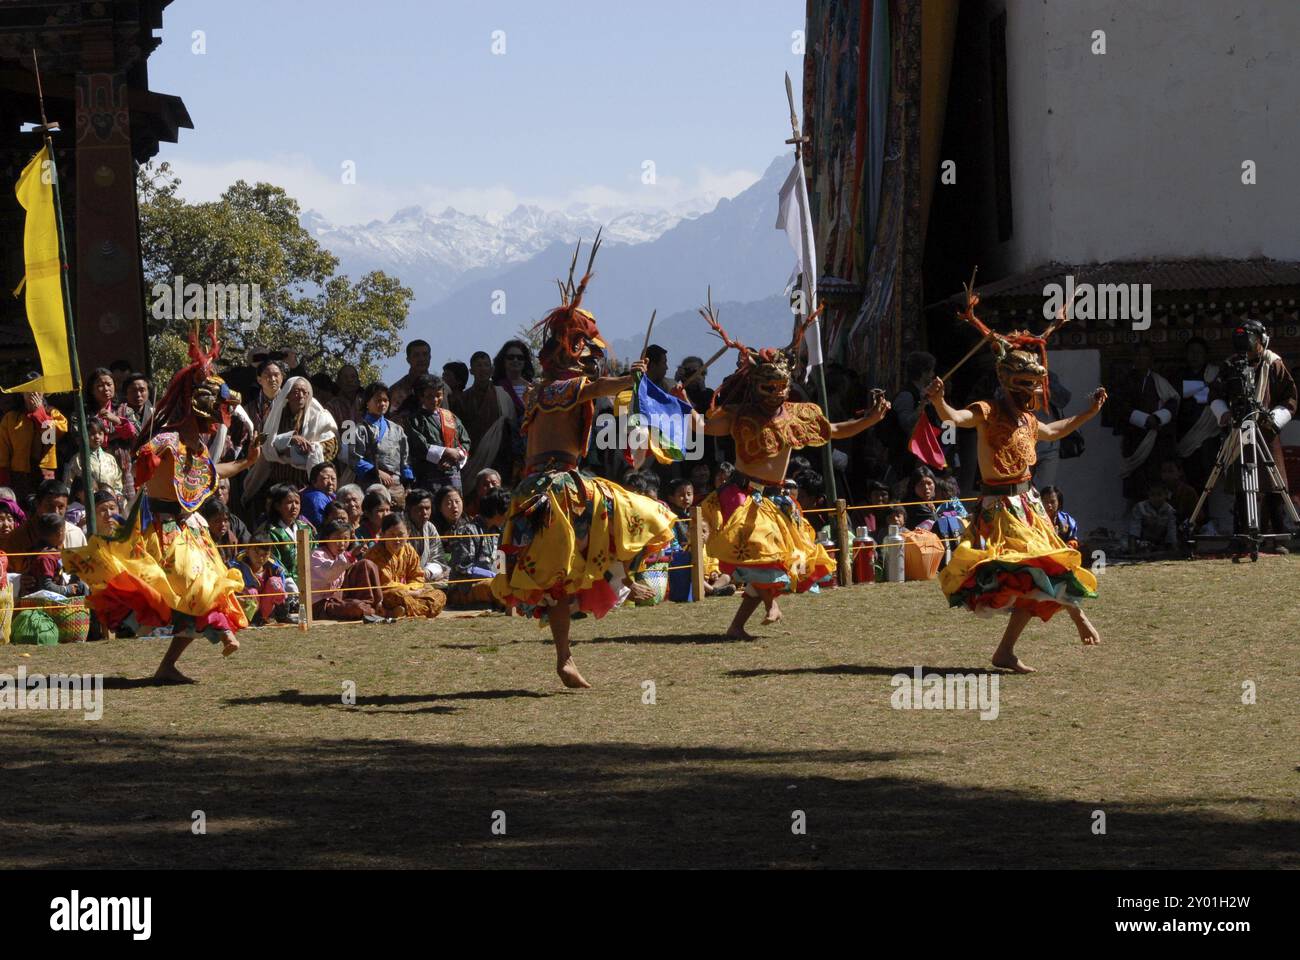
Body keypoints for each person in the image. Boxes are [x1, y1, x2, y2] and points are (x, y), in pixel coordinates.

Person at [490, 239, 676, 687]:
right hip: (551, 489)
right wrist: (628, 377)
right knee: (569, 566)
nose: (593, 355)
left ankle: (616, 582)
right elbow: (596, 390)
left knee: (586, 556)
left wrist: (626, 381)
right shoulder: (553, 389)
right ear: (568, 352)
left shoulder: (547, 389)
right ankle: (584, 630)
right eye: (586, 348)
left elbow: (598, 389)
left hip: (560, 485)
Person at [63, 323, 260, 682]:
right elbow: (153, 464)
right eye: (215, 417)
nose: (216, 426)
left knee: (211, 586)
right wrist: (152, 454)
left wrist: (247, 462)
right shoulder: (165, 442)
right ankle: (221, 635)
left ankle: (168, 666)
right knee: (198, 586)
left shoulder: (195, 448)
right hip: (162, 531)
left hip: (188, 531)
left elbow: (210, 473)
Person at [928, 296, 1105, 673]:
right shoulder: (987, 411)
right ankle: (1075, 619)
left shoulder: (1028, 420)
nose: (1029, 390)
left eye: (1033, 383)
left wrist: (1088, 413)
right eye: (1022, 383)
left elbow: (1054, 430)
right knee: (1031, 570)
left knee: (1044, 568)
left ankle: (1007, 650)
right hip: (998, 509)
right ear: (1005, 380)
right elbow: (956, 417)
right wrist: (940, 403)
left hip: (1029, 505)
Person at [698, 304, 889, 638]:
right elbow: (701, 425)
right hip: (741, 495)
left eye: (781, 387)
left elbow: (835, 430)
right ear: (754, 385)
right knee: (766, 550)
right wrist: (666, 408)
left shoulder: (800, 415)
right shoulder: (738, 415)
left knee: (788, 559)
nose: (775, 394)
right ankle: (773, 606)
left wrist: (870, 420)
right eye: (767, 388)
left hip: (776, 499)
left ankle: (736, 627)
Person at [1209, 319, 1297, 553]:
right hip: (1239, 432)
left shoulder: (1273, 364)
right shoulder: (1230, 365)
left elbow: (1290, 398)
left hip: (1266, 433)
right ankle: (1242, 536)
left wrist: (1273, 419)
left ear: (1261, 341)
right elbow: (1215, 395)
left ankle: (1277, 537)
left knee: (1272, 486)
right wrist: (1224, 413)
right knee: (1241, 487)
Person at [243, 376, 338, 509]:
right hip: (276, 484)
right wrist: (289, 439)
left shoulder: (319, 416)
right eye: (296, 391)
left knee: (303, 526)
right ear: (287, 393)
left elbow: (331, 446)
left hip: (304, 486)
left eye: (305, 392)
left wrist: (297, 451)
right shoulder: (276, 415)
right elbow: (265, 442)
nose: (301, 396)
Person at [1116, 343, 1179, 503]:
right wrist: (1144, 419)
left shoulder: (1159, 381)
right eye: (1138, 355)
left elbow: (1173, 402)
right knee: (1136, 482)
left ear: (1151, 359)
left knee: (1155, 480)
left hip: (1155, 439)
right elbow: (1119, 406)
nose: (1141, 359)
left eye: (1145, 355)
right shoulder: (1124, 381)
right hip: (1134, 439)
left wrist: (1157, 418)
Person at [367, 513, 447, 619]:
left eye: (400, 534)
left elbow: (417, 577)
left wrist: (413, 591)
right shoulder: (376, 553)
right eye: (391, 534)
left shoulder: (409, 550)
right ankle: (411, 611)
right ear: (383, 534)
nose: (397, 539)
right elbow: (385, 584)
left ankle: (403, 611)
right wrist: (411, 593)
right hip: (385, 594)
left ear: (408, 534)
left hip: (410, 591)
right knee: (398, 596)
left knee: (439, 595)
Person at [454, 351, 518, 483]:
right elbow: (457, 433)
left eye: (486, 365)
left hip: (500, 456)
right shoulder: (461, 399)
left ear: (492, 369)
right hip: (473, 458)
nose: (482, 369)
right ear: (471, 370)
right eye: (478, 365)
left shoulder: (503, 396)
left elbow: (513, 426)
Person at [344, 382, 413, 503]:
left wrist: (407, 484)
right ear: (367, 402)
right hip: (371, 483)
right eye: (378, 400)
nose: (382, 404)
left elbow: (405, 459)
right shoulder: (360, 429)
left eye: (385, 400)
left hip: (396, 485)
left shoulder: (397, 429)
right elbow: (354, 459)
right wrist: (377, 472)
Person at [0, 382, 69, 502]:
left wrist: (39, 413)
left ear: (43, 393)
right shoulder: (11, 418)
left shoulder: (53, 414)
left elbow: (50, 438)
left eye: (37, 390)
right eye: (29, 390)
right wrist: (4, 478)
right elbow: (3, 450)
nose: (33, 393)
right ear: (22, 393)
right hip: (19, 474)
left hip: (45, 471)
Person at [309, 519, 385, 621]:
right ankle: (375, 611)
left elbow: (351, 570)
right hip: (321, 604)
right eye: (337, 539)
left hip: (338, 597)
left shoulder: (340, 555)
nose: (342, 543)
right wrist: (351, 555)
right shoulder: (317, 555)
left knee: (366, 564)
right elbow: (328, 574)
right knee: (356, 608)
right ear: (327, 538)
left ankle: (378, 605)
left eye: (346, 539)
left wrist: (353, 556)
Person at [404, 374, 470, 491]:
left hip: (453, 474)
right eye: (429, 396)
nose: (434, 399)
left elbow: (465, 441)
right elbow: (419, 445)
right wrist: (446, 452)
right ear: (421, 397)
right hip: (428, 475)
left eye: (438, 395)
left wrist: (454, 457)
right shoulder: (414, 419)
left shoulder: (450, 417)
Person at [1173, 337, 1222, 488]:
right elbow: (1175, 396)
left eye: (1199, 352)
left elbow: (1219, 397)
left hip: (1207, 438)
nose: (1195, 355)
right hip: (1185, 435)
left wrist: (1200, 392)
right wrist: (1205, 391)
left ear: (1206, 355)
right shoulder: (1178, 376)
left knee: (1204, 483)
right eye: (1191, 352)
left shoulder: (1214, 374)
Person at [435, 485, 496, 605]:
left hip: (479, 577)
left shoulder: (471, 524)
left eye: (457, 501)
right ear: (439, 507)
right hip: (451, 579)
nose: (454, 506)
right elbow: (462, 566)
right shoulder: (434, 527)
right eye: (448, 503)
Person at [83, 367, 139, 499]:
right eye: (100, 386)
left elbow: (137, 434)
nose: (106, 388)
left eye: (109, 384)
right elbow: (78, 438)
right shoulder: (83, 413)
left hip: (123, 466)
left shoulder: (125, 410)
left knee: (126, 508)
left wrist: (116, 420)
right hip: (94, 469)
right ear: (92, 390)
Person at [62, 417, 124, 499]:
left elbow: (117, 481)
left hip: (108, 500)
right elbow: (69, 484)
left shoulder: (110, 459)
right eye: (92, 433)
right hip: (86, 503)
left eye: (100, 433)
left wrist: (117, 494)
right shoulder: (77, 459)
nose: (97, 437)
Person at [231, 542, 290, 626]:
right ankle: (253, 620)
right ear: (247, 551)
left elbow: (282, 590)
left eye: (265, 554)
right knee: (251, 591)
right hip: (247, 610)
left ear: (270, 554)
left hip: (267, 607)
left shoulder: (275, 568)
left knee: (275, 582)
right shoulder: (237, 567)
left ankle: (281, 616)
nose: (260, 558)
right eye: (256, 553)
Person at [405, 488, 449, 582]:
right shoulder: (400, 528)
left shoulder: (430, 527)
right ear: (409, 509)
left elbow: (438, 558)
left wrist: (426, 573)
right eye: (420, 508)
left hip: (425, 575)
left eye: (427, 508)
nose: (425, 512)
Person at [1128, 483, 1178, 554]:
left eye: (1159, 495)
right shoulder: (1140, 507)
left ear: (1165, 495)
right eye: (1152, 495)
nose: (1156, 498)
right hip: (1141, 541)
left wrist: (1174, 549)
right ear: (1148, 495)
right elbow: (1134, 529)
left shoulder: (1170, 510)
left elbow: (1172, 531)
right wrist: (1132, 550)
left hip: (1160, 543)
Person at [389, 339, 432, 414]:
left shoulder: (442, 388)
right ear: (408, 359)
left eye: (425, 354)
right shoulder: (396, 389)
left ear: (430, 357)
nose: (421, 359)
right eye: (416, 355)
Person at [1038, 485, 1078, 549]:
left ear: (1059, 503)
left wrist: (1070, 545)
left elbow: (1073, 539)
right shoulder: (1036, 519)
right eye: (1045, 502)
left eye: (1052, 502)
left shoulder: (1067, 519)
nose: (1049, 505)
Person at [300, 462, 337, 529]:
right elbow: (320, 526)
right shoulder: (316, 497)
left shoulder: (330, 495)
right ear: (314, 481)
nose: (331, 482)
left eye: (333, 479)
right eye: (326, 478)